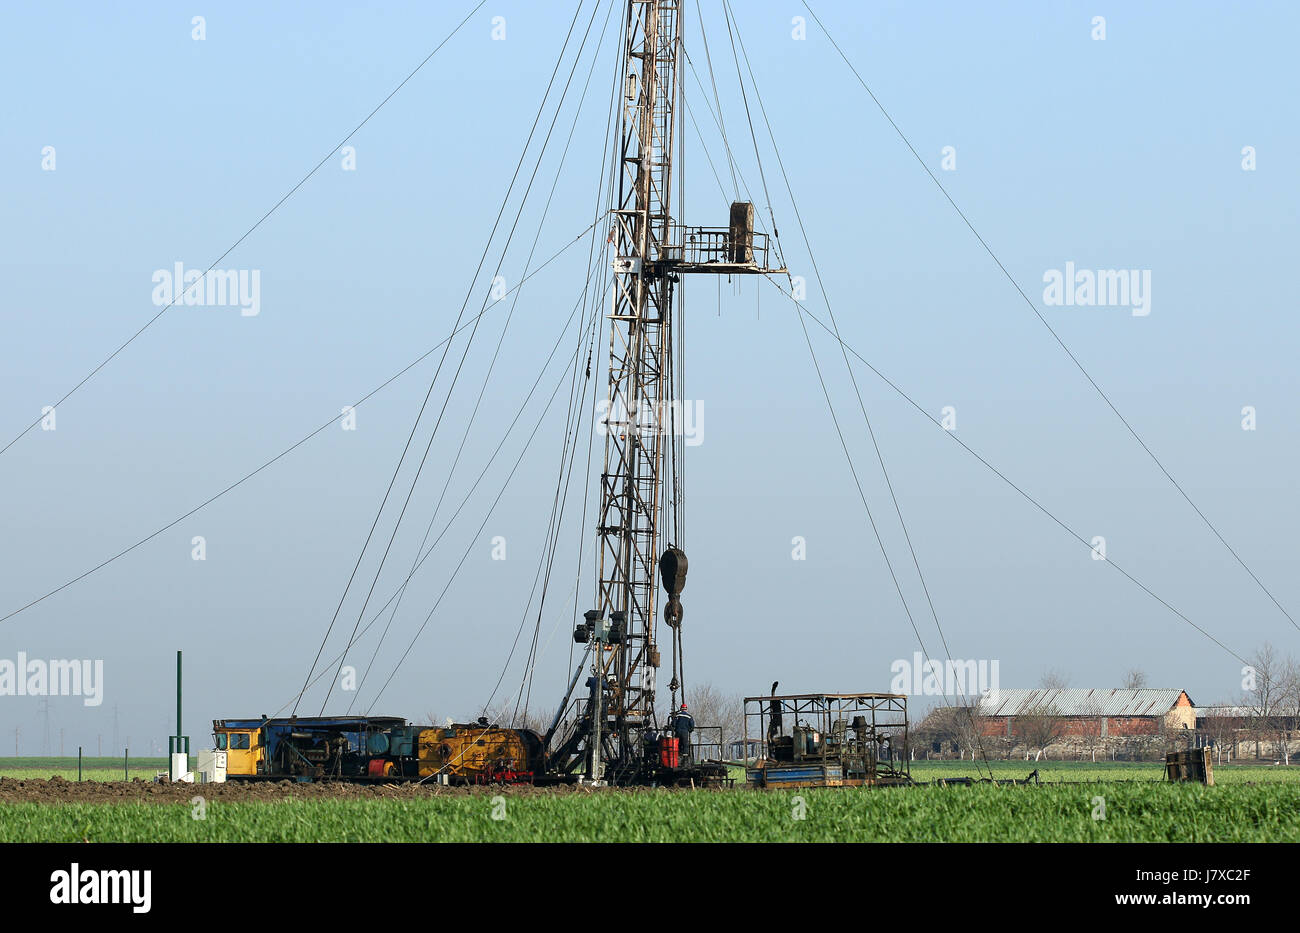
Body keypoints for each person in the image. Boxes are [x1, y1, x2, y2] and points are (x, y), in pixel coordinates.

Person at [673, 702, 694, 767]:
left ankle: (677, 758)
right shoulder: (689, 716)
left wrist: (675, 728)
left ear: (680, 709)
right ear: (686, 709)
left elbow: (673, 723)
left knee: (677, 745)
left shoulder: (677, 715)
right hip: (685, 732)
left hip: (678, 732)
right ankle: (685, 761)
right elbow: (692, 725)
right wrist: (690, 730)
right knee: (685, 745)